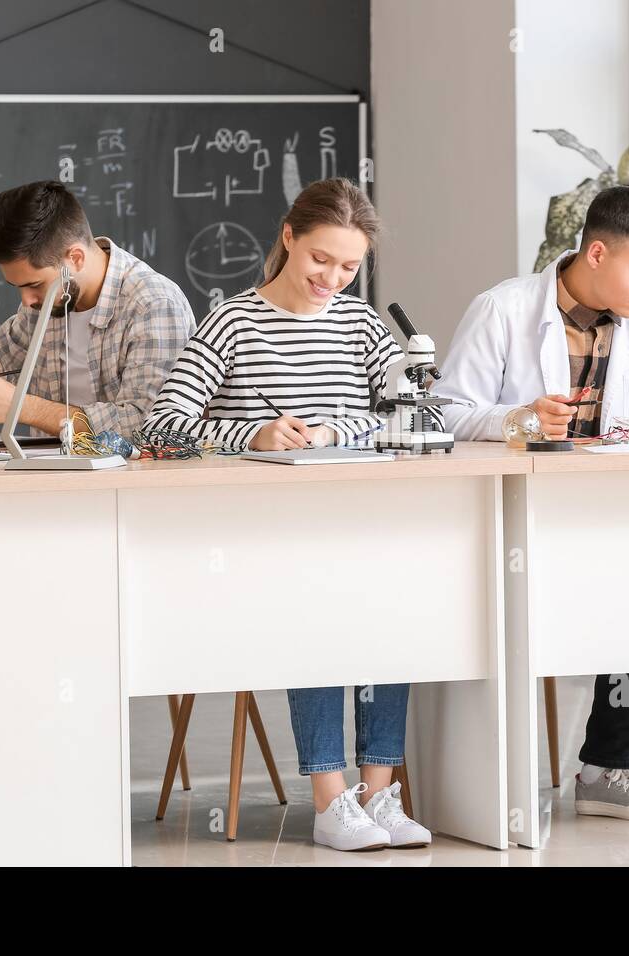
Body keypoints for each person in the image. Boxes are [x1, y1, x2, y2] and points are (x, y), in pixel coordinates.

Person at [436, 183, 629, 821]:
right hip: (515, 519)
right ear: (597, 254)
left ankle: (605, 768)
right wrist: (518, 421)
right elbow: (445, 414)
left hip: (606, 512)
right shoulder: (503, 309)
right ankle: (491, 781)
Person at [146, 178, 432, 850]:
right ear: (288, 237)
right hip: (269, 538)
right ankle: (330, 799)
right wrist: (254, 435)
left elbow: (417, 414)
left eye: (349, 267)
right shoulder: (233, 321)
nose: (331, 278)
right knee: (319, 609)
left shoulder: (362, 324)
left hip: (358, 524)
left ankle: (380, 793)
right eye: (320, 260)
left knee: (398, 611)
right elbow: (162, 426)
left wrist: (334, 430)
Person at [0, 180, 194, 438]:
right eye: (17, 286)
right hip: (47, 473)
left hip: (129, 477)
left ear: (76, 258)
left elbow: (147, 424)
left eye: (34, 284)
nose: (26, 301)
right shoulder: (49, 299)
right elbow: (4, 349)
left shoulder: (154, 304)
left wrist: (20, 407)